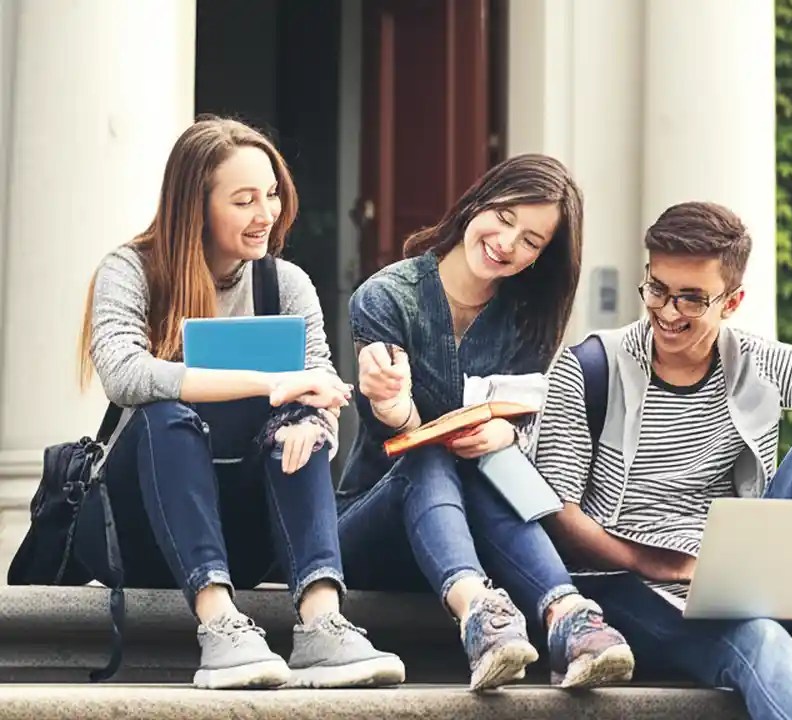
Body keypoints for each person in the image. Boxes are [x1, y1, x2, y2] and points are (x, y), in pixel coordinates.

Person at [532, 201, 792, 719]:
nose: (668, 313)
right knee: (760, 640)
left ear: (732, 301)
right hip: (622, 587)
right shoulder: (589, 366)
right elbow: (560, 517)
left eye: (692, 299)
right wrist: (663, 563)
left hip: (736, 578)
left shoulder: (755, 363)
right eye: (657, 289)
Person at [76, 116, 404, 690]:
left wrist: (312, 418)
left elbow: (320, 381)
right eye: (245, 200)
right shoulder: (130, 271)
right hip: (146, 531)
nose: (266, 214)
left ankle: (322, 621)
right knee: (163, 413)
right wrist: (266, 383)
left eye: (272, 194)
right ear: (195, 206)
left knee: (295, 429)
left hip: (248, 535)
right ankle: (219, 625)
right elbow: (125, 375)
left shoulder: (286, 284)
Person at [336, 154, 634, 691]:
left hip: (478, 526)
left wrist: (508, 433)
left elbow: (518, 417)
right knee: (427, 450)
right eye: (504, 216)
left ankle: (567, 616)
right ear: (478, 200)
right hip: (376, 529)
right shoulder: (386, 298)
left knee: (486, 460)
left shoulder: (527, 316)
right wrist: (392, 406)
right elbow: (394, 435)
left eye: (531, 242)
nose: (507, 243)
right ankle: (479, 613)